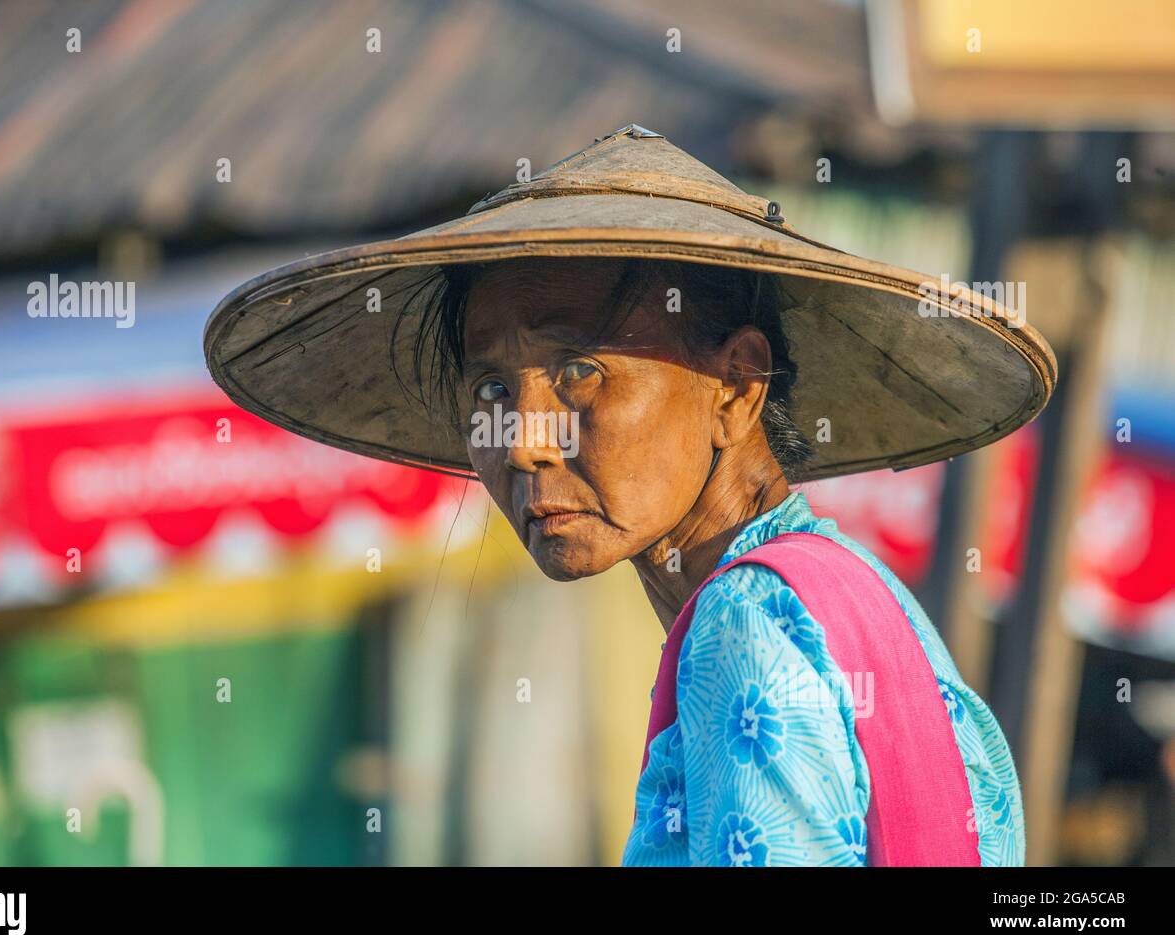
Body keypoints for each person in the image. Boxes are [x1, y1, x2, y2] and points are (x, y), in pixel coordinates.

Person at [205, 125, 1055, 865]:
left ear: (736, 387)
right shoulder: (869, 607)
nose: (525, 441)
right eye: (493, 392)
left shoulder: (744, 626)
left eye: (579, 372)